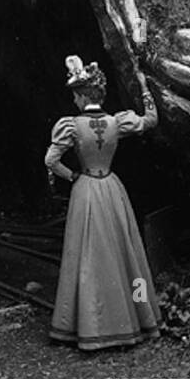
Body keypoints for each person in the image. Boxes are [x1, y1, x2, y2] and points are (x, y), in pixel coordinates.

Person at [44, 55, 162, 351]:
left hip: (86, 188)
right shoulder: (115, 121)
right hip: (111, 187)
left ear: (84, 96)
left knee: (86, 254)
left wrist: (72, 176)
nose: (73, 99)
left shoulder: (71, 125)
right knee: (123, 251)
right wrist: (145, 89)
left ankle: (88, 324)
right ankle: (135, 317)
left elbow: (50, 160)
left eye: (75, 94)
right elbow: (151, 120)